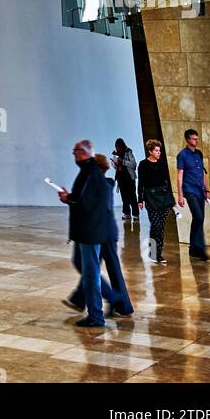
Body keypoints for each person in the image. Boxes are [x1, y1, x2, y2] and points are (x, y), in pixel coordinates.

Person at [64, 155, 134, 317]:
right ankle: (82, 299)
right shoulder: (102, 184)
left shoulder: (101, 185)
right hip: (103, 232)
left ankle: (117, 300)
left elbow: (90, 207)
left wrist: (70, 199)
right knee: (92, 266)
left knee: (93, 266)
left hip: (102, 233)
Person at [58, 139, 111, 329]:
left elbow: (86, 204)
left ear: (86, 152)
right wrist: (70, 197)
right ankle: (96, 312)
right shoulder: (88, 171)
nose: (74, 154)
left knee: (91, 275)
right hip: (87, 231)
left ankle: (96, 316)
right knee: (89, 272)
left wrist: (68, 199)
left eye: (76, 151)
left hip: (90, 232)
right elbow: (84, 199)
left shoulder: (91, 172)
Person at [138, 138, 174, 264]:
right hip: (150, 199)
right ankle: (154, 253)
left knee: (160, 228)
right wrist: (140, 199)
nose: (159, 152)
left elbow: (167, 182)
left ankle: (156, 253)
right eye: (157, 150)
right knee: (156, 226)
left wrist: (172, 200)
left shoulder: (163, 164)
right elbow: (140, 183)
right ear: (150, 151)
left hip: (164, 198)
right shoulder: (143, 164)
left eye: (160, 150)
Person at [177, 128, 210, 261]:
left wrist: (206, 189)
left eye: (197, 139)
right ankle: (200, 249)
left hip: (200, 190)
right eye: (194, 139)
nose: (197, 141)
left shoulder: (199, 154)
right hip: (189, 190)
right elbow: (179, 176)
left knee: (198, 219)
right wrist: (180, 195)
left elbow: (202, 173)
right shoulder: (182, 155)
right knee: (198, 216)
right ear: (188, 140)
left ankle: (193, 249)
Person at [112, 138, 139, 220]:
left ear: (122, 145)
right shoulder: (115, 154)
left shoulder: (129, 152)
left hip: (130, 178)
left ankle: (135, 214)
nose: (118, 148)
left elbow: (134, 165)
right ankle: (126, 213)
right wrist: (114, 164)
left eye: (119, 146)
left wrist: (123, 161)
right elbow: (114, 166)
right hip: (120, 178)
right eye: (116, 146)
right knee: (124, 197)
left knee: (132, 196)